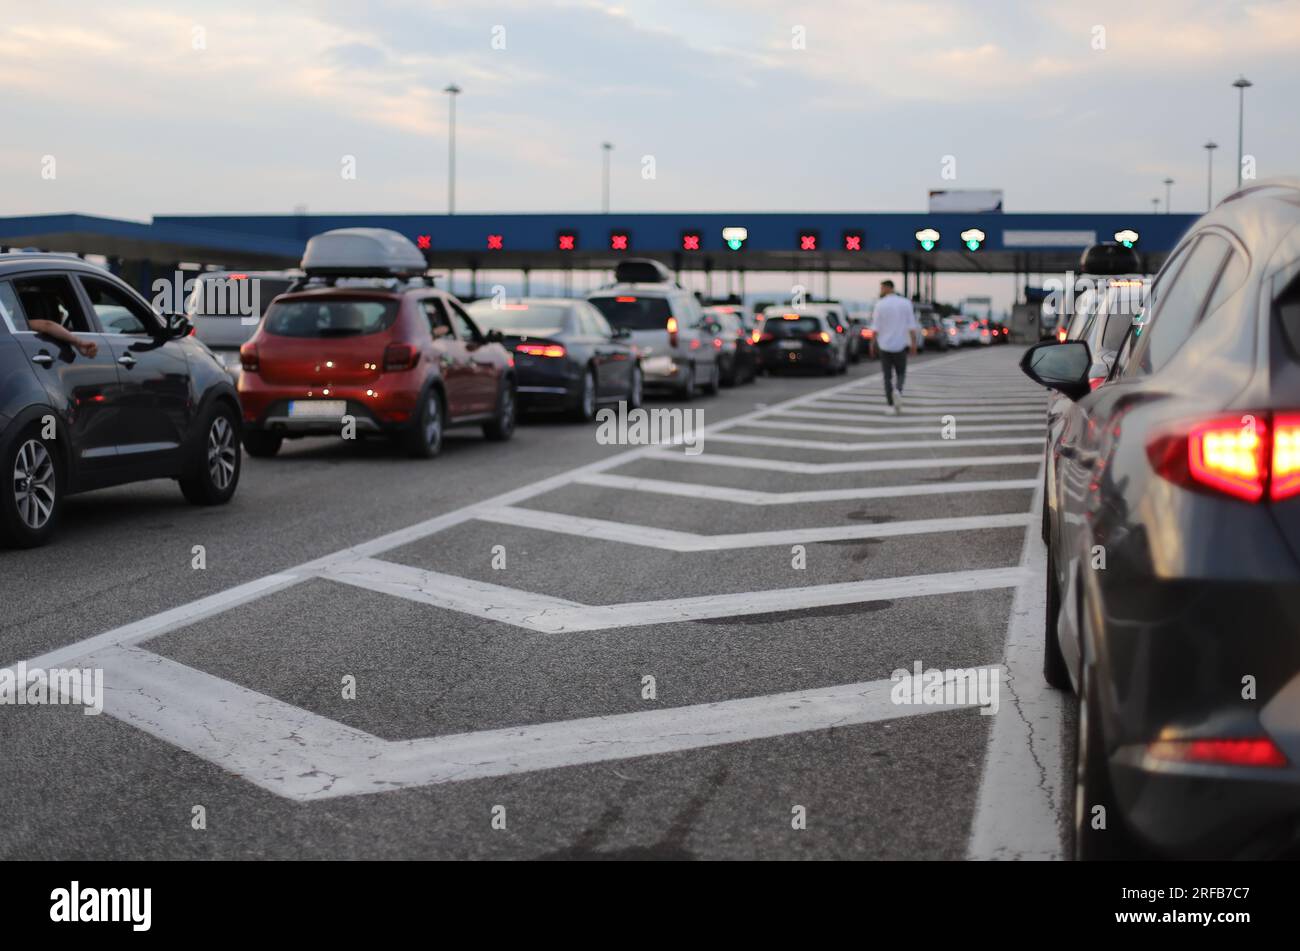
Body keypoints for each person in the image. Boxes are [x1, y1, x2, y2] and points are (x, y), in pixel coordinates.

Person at [869, 279, 918, 414]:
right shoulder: (906, 303)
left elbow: (876, 328)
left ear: (887, 288)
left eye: (882, 288)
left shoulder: (880, 305)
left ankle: (890, 403)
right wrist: (914, 343)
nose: (880, 291)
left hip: (884, 346)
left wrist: (872, 344)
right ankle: (898, 390)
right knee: (901, 372)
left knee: (887, 376)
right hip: (900, 345)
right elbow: (911, 326)